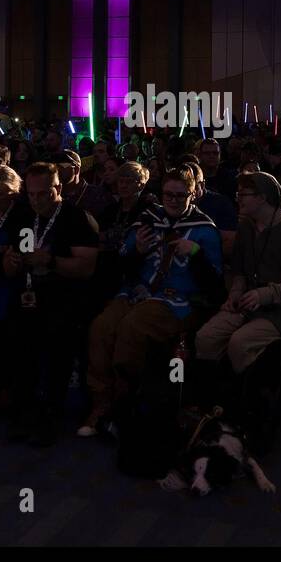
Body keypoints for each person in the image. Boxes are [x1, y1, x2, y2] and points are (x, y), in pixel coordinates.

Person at [80, 167, 223, 436]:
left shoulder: (203, 229)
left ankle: (124, 402)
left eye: (181, 195)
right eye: (169, 194)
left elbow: (214, 286)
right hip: (138, 290)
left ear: (192, 195)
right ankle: (101, 401)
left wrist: (196, 255)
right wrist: (137, 251)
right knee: (102, 326)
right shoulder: (147, 220)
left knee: (132, 328)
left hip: (177, 299)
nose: (174, 200)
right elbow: (122, 267)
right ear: (160, 194)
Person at [1, 163, 99, 446]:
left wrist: (51, 261)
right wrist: (11, 261)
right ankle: (22, 411)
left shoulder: (77, 218)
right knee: (20, 350)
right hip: (26, 294)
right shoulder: (22, 215)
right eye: (30, 194)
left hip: (63, 297)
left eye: (42, 194)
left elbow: (86, 268)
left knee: (58, 349)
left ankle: (51, 414)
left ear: (57, 189)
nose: (36, 200)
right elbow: (9, 260)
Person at [195, 172, 281, 376]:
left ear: (262, 197)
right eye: (238, 194)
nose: (238, 199)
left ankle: (252, 393)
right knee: (206, 337)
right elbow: (239, 271)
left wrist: (263, 295)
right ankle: (214, 391)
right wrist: (235, 294)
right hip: (249, 303)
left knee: (240, 343)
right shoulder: (247, 227)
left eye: (243, 194)